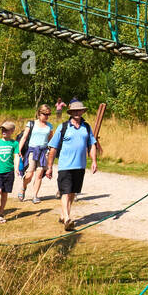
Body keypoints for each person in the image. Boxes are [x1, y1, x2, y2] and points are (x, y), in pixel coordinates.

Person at [45, 99, 99, 231]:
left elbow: (92, 145)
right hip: (65, 166)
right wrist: (50, 166)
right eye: (74, 111)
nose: (77, 113)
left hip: (80, 166)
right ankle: (68, 219)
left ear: (82, 111)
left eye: (79, 110)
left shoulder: (86, 127)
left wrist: (94, 161)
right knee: (65, 192)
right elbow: (53, 148)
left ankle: (63, 215)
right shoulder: (63, 127)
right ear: (71, 112)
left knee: (72, 193)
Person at [17, 103, 58, 203]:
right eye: (45, 114)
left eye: (48, 114)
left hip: (43, 152)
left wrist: (50, 152)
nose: (47, 116)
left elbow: (50, 140)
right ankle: (23, 186)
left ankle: (35, 196)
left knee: (39, 174)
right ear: (39, 114)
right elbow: (24, 137)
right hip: (32, 151)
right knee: (29, 174)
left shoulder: (50, 126)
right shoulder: (31, 124)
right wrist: (18, 150)